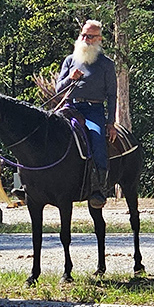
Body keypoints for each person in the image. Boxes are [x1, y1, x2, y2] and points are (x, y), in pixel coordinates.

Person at [55, 20, 117, 209]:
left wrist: (110, 122)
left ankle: (99, 189)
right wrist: (69, 78)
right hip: (68, 107)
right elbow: (58, 88)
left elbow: (112, 95)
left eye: (90, 36)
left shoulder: (106, 64)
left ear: (99, 39)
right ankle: (32, 184)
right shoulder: (70, 60)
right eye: (83, 35)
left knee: (97, 138)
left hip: (93, 110)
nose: (84, 39)